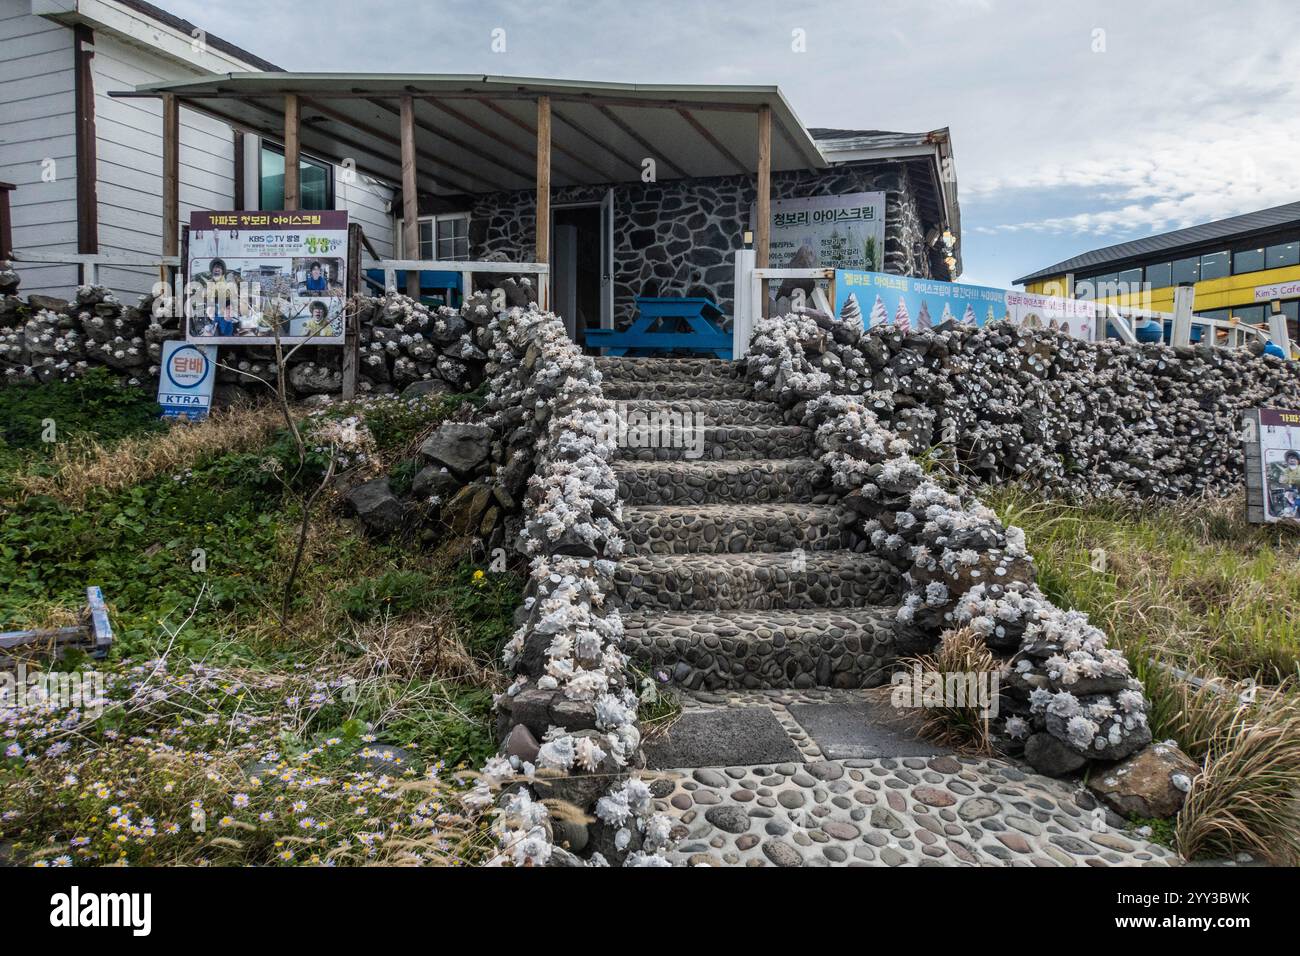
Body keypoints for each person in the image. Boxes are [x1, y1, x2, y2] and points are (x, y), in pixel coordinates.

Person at [206, 258, 238, 336]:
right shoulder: (209, 283)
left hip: (226, 309)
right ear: (212, 270)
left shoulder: (228, 282)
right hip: (215, 311)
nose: (217, 269)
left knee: (227, 331)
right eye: (215, 267)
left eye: (219, 267)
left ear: (222, 271)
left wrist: (229, 307)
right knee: (215, 331)